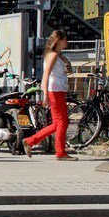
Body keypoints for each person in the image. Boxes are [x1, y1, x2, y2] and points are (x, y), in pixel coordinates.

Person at [24, 29, 72, 159]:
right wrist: (45, 94)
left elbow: (60, 73)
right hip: (55, 91)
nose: (67, 41)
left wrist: (66, 66)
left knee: (57, 123)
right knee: (62, 122)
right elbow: (46, 75)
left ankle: (30, 141)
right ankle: (60, 152)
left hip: (58, 90)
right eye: (65, 39)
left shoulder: (57, 55)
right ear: (59, 41)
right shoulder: (53, 55)